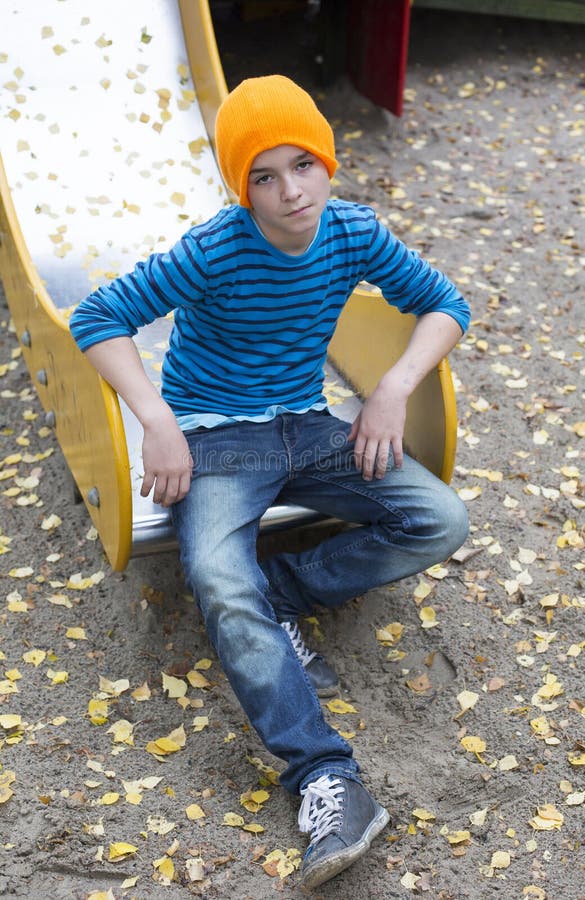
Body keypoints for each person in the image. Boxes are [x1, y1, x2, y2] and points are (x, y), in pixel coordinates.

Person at [70, 74, 470, 889]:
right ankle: (326, 778)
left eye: (302, 165)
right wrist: (158, 419)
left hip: (309, 426)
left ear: (327, 163)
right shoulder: (217, 247)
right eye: (263, 175)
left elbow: (443, 303)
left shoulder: (351, 232)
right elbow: (97, 317)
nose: (290, 191)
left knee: (437, 518)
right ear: (239, 185)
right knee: (217, 574)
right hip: (216, 439)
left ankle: (284, 591)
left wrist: (390, 389)